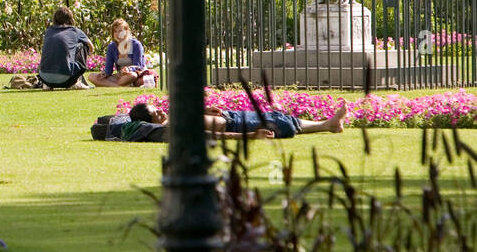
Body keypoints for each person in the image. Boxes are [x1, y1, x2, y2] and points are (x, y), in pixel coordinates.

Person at [127, 101, 348, 139]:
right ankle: (327, 125)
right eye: (156, 113)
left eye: (158, 110)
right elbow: (212, 135)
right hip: (236, 125)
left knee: (277, 117)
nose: (161, 112)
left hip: (230, 116)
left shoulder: (170, 117)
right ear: (150, 121)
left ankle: (328, 124)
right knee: (282, 126)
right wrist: (250, 136)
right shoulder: (171, 127)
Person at [37, 6, 94, 90]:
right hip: (66, 80)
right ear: (71, 18)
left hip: (44, 78)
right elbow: (91, 46)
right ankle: (76, 82)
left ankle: (48, 85)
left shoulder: (49, 31)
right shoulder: (75, 31)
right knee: (83, 45)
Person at [90, 18, 152, 87]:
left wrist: (128, 69)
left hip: (133, 75)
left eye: (120, 31)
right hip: (120, 77)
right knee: (91, 76)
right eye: (115, 32)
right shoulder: (112, 46)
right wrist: (103, 74)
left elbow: (139, 66)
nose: (117, 34)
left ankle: (111, 85)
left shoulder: (136, 45)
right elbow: (108, 70)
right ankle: (118, 86)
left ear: (127, 32)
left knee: (132, 75)